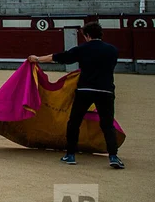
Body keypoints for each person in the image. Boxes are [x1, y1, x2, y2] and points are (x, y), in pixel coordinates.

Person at [29, 21, 124, 169]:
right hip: (106, 91)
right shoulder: (113, 50)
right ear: (100, 34)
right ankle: (113, 156)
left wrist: (37, 59)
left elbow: (61, 57)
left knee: (74, 122)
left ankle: (71, 155)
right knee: (107, 124)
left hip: (85, 90)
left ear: (87, 36)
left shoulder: (83, 49)